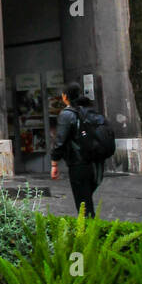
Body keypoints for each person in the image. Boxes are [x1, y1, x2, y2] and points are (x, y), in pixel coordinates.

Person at [50, 81, 104, 216]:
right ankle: (90, 229)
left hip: (78, 163)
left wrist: (54, 163)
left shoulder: (67, 114)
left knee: (83, 204)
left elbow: (60, 141)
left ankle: (87, 233)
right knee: (87, 200)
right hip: (95, 163)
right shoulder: (88, 110)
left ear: (64, 96)